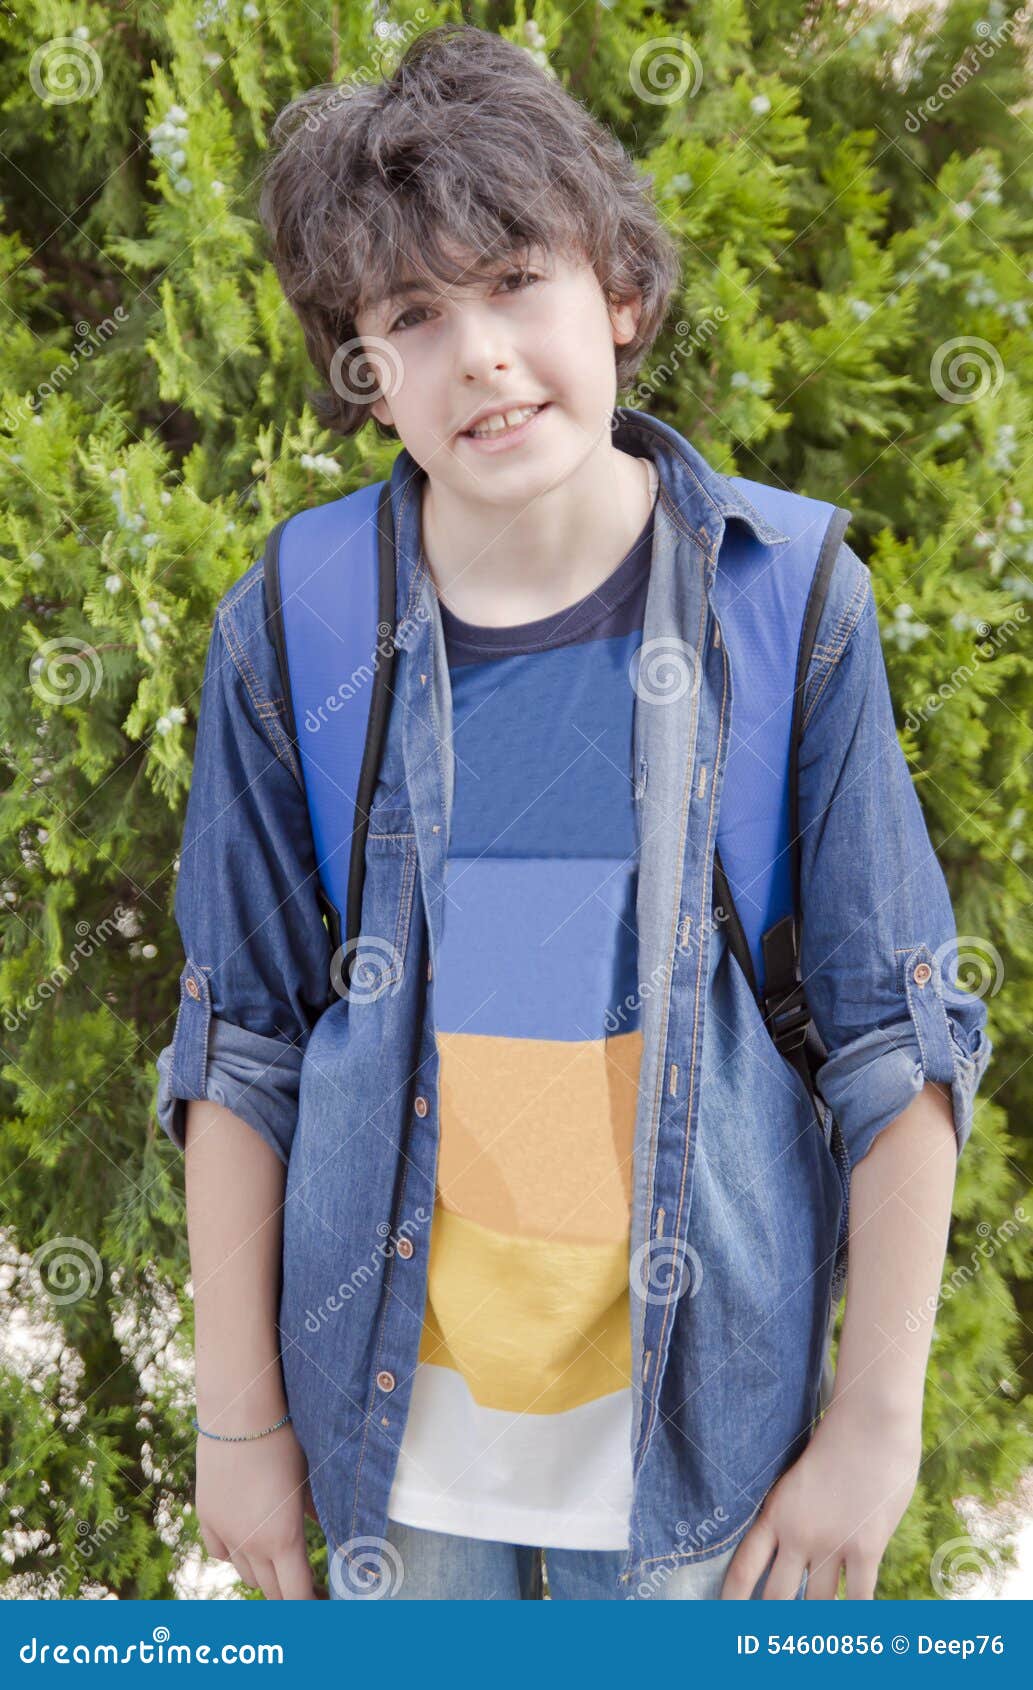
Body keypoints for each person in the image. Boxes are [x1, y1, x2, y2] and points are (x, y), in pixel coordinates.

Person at [156, 23, 992, 1602]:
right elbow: (244, 1041)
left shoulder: (787, 598)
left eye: (515, 278)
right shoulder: (298, 622)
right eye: (412, 313)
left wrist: (876, 1430)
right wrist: (242, 1423)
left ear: (617, 289)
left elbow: (896, 1037)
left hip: (697, 1454)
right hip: (390, 1454)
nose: (476, 350)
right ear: (362, 366)